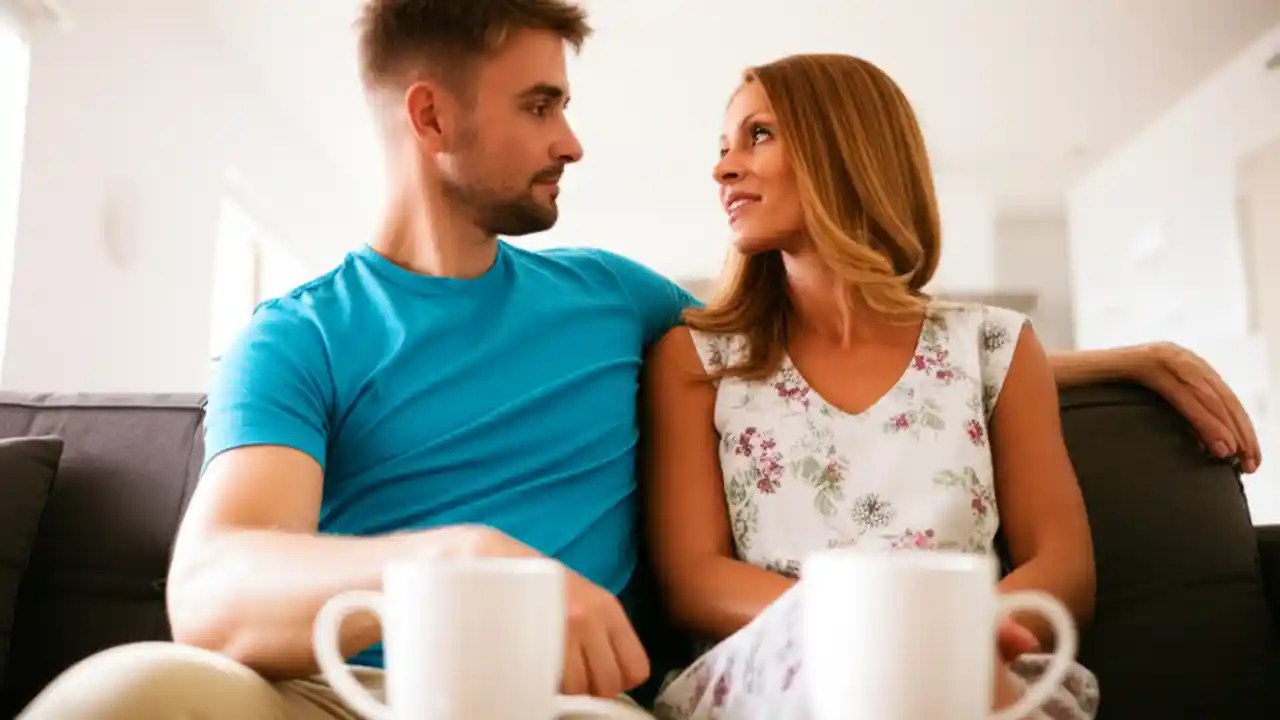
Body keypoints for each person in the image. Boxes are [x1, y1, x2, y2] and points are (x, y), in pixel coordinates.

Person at [16, 2, 1260, 719]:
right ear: (433, 118)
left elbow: (845, 338)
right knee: (121, 695)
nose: (575, 140)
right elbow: (215, 592)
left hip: (551, 711)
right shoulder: (298, 334)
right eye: (541, 105)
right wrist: (464, 562)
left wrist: (1092, 360)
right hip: (325, 696)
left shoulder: (618, 302)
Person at [644, 55, 1099, 718]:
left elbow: (1064, 567)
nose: (724, 168)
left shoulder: (995, 346)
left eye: (758, 135)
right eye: (722, 148)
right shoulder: (697, 359)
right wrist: (871, 629)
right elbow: (692, 578)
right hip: (772, 667)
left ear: (846, 148)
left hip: (969, 661)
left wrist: (944, 637)